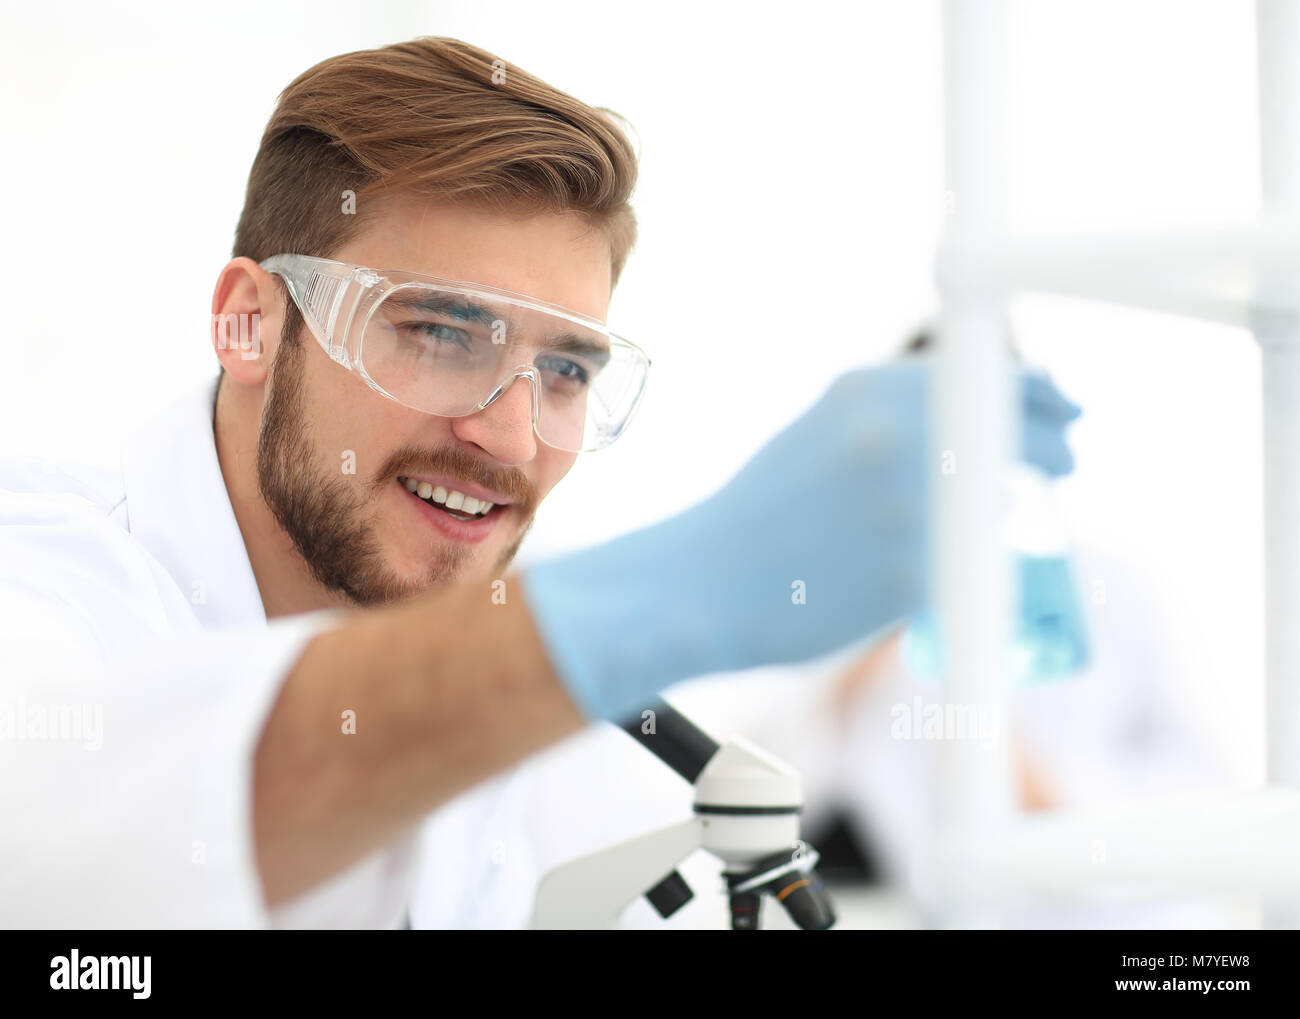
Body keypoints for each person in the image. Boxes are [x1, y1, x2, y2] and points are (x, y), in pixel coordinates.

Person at [0, 36, 1081, 928]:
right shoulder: (40, 580)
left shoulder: (532, 678)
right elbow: (78, 846)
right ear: (250, 321)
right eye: (437, 330)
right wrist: (674, 595)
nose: (510, 436)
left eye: (565, 369)